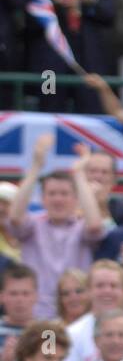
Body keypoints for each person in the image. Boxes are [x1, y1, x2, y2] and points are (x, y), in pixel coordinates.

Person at [5, 136, 103, 320]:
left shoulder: (82, 227)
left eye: (64, 194)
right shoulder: (32, 225)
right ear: (42, 199)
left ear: (75, 199)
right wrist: (35, 167)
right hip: (36, 317)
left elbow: (96, 225)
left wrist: (79, 174)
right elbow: (15, 217)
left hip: (76, 317)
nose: (58, 199)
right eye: (52, 194)